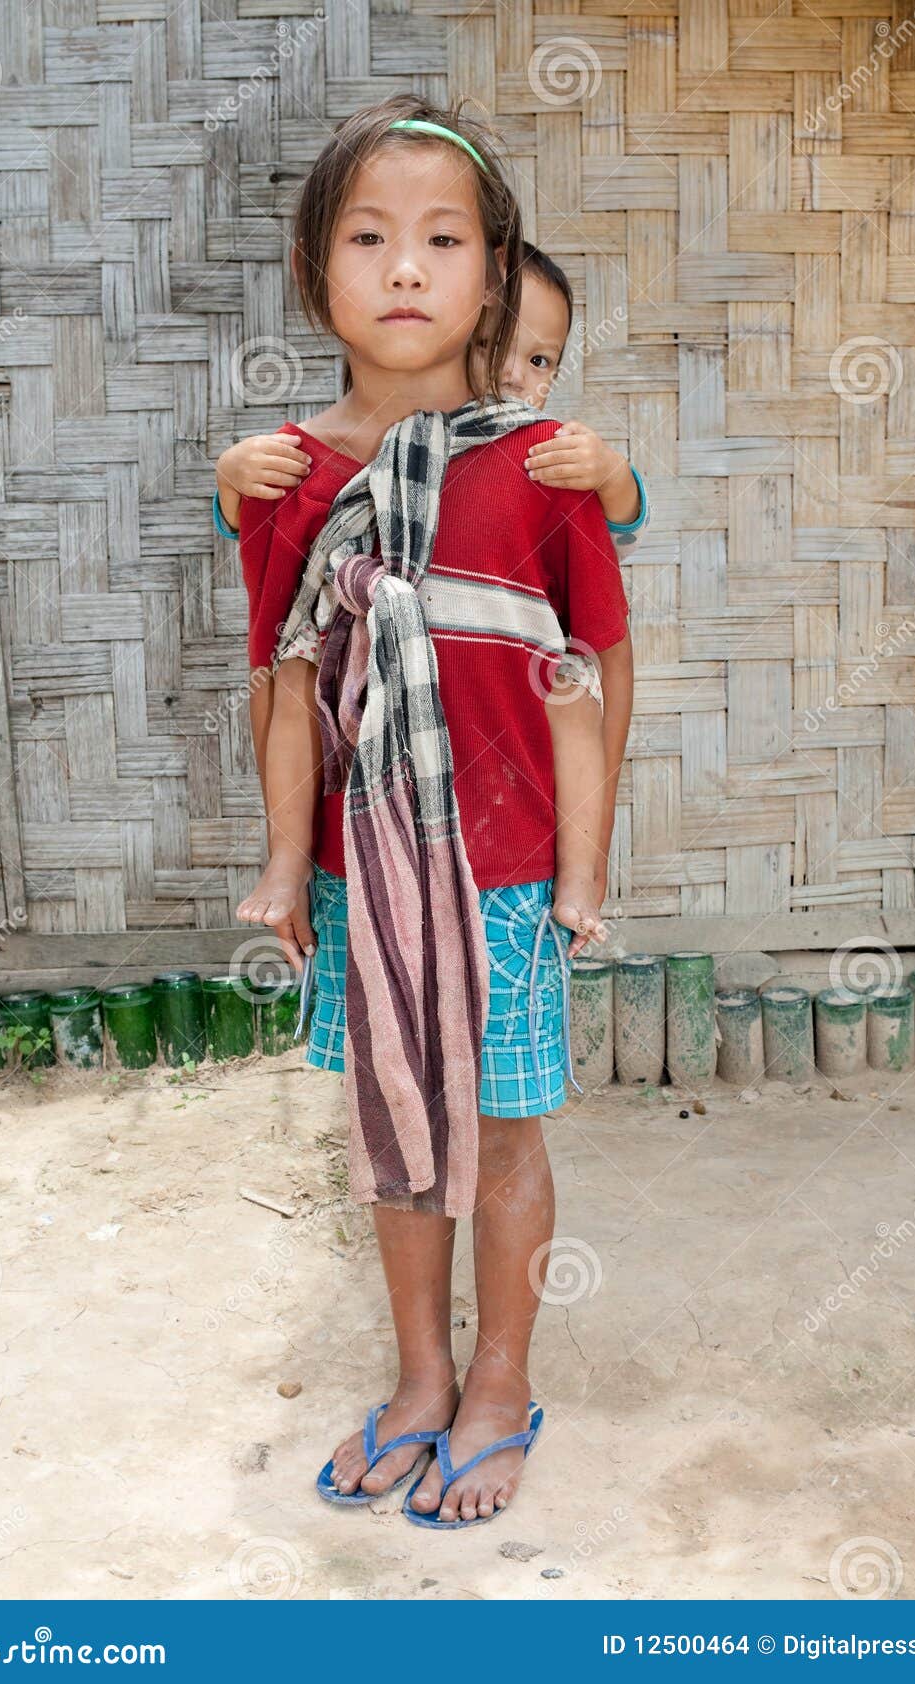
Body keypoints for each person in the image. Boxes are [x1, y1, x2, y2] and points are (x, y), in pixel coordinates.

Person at [214, 96, 634, 1527]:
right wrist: (287, 861)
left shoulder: (542, 467)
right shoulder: (287, 477)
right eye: (368, 238)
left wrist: (583, 868)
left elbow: (586, 677)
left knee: (502, 1133)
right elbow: (282, 684)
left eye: (443, 240)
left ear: (494, 272)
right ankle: (418, 1376)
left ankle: (501, 1380)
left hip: (504, 873)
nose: (404, 267)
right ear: (312, 269)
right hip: (363, 875)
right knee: (395, 1128)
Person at [217, 240, 643, 944]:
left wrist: (613, 473)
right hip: (354, 657)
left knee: (572, 695)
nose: (515, 374)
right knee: (294, 675)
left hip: (515, 662)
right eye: (494, 346)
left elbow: (621, 538)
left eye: (542, 361)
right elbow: (263, 578)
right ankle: (286, 861)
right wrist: (231, 483)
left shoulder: (552, 458)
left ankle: (575, 872)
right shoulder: (330, 454)